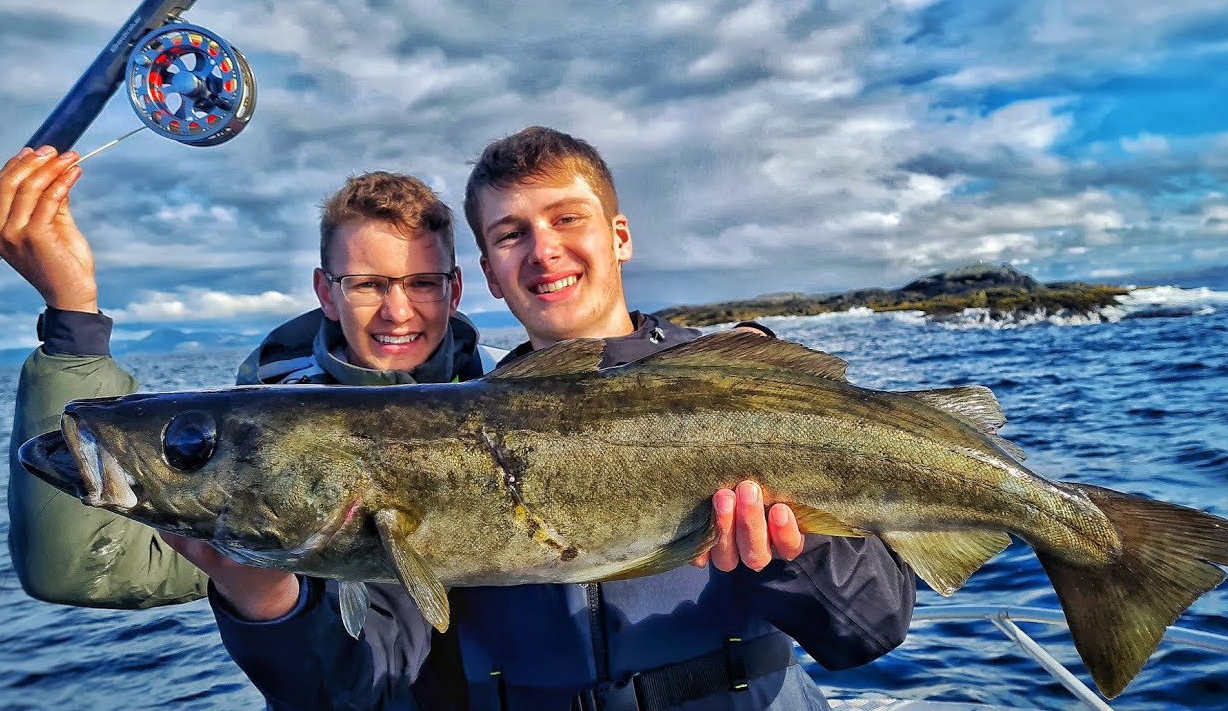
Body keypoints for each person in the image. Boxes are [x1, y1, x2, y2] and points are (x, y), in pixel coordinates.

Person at [209, 127, 916, 710]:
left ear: (620, 236)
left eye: (566, 219)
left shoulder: (745, 387)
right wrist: (265, 600)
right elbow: (363, 685)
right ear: (486, 273)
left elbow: (871, 631)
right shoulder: (439, 445)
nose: (544, 251)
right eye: (511, 234)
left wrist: (793, 555)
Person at [0, 148, 491, 615]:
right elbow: (88, 569)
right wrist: (73, 318)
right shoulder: (256, 443)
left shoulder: (511, 377)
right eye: (365, 285)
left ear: (455, 289)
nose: (397, 312)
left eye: (424, 282)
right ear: (327, 292)